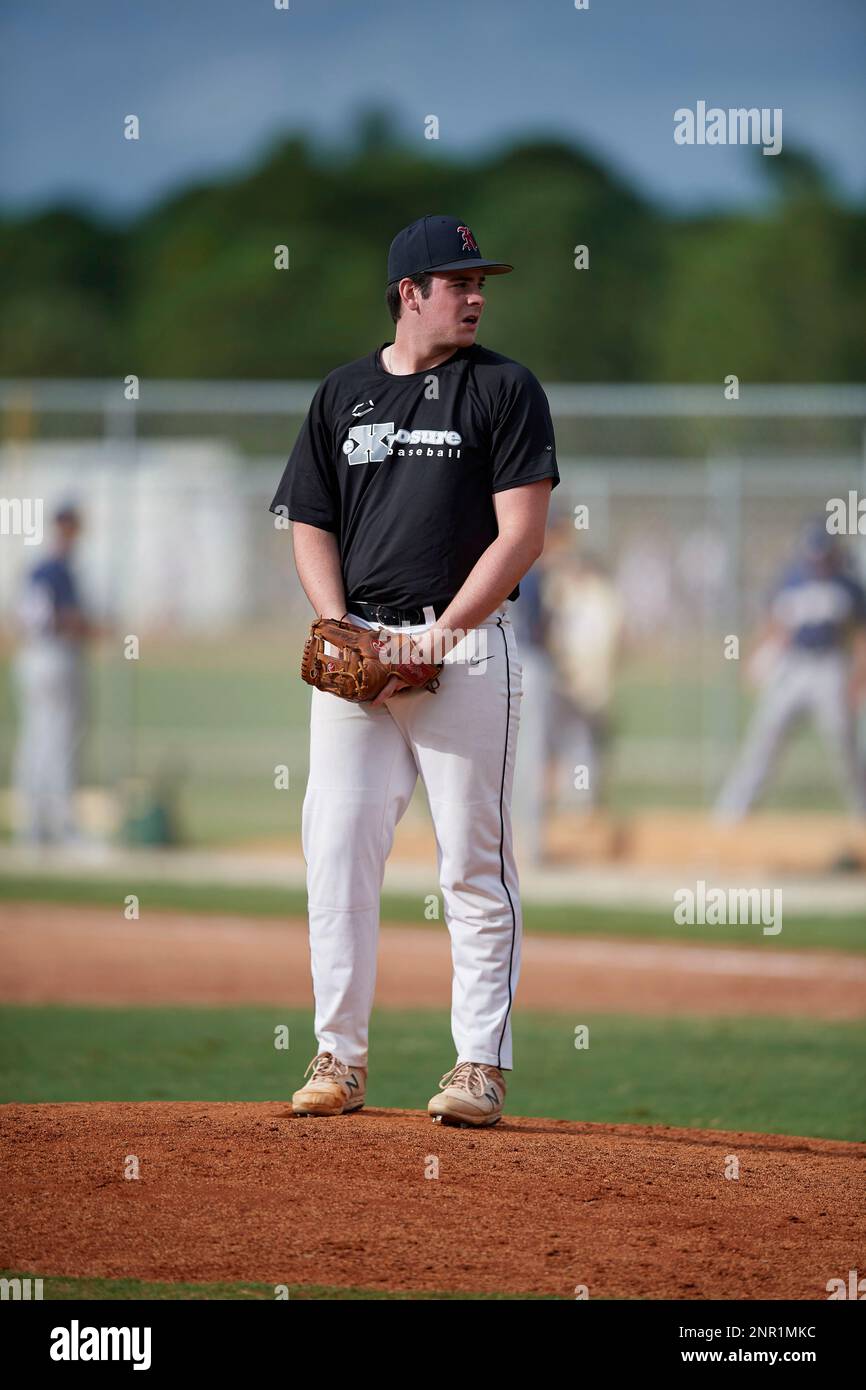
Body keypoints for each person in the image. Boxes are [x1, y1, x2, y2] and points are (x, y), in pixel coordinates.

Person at [269, 215, 559, 1127]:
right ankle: (338, 1059)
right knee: (337, 856)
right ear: (409, 293)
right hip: (362, 658)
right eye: (457, 282)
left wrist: (440, 638)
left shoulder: (505, 389)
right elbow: (308, 518)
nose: (475, 297)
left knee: (473, 864)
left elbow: (522, 535)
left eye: (481, 284)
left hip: (463, 651)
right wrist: (337, 624)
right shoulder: (344, 392)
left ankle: (478, 1066)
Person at [714, 520, 866, 820]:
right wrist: (753, 658)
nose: (819, 562)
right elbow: (773, 623)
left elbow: (861, 636)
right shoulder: (791, 579)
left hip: (831, 668)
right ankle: (729, 817)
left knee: (846, 749)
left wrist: (858, 678)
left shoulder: (849, 587)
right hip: (792, 667)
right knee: (764, 740)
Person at [11, 503, 96, 846]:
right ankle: (61, 826)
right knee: (59, 741)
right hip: (56, 657)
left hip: (31, 659)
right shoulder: (57, 569)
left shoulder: (37, 568)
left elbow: (23, 619)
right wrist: (90, 627)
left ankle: (32, 826)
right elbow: (60, 619)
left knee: (36, 740)